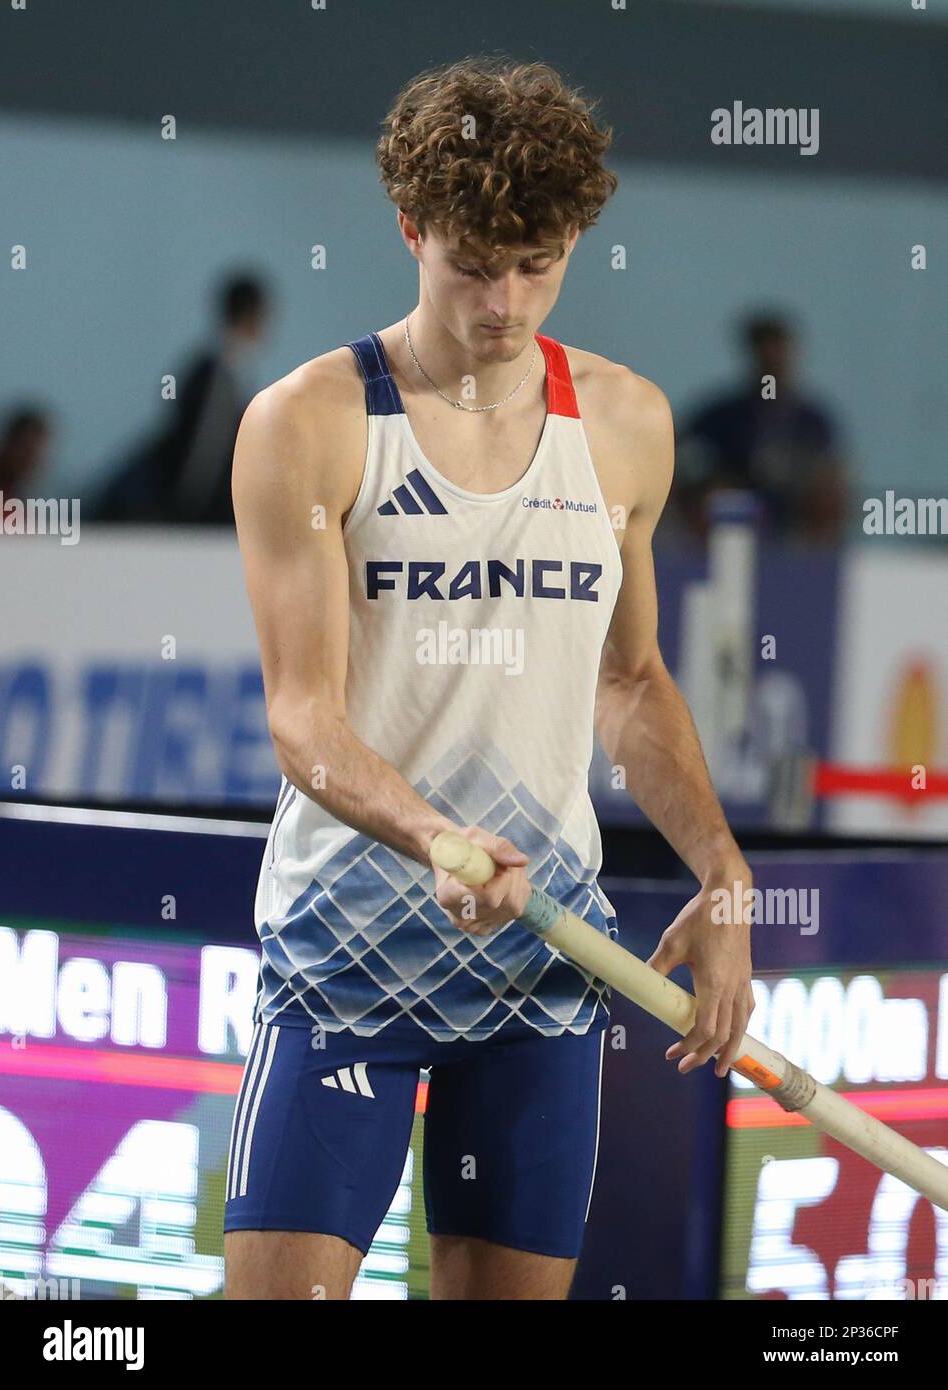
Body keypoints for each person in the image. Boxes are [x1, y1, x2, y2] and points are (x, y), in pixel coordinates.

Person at [224, 56, 754, 1302]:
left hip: (539, 971)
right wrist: (439, 842)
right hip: (344, 964)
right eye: (472, 262)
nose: (505, 303)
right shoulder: (308, 422)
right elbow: (305, 720)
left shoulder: (626, 425)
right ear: (409, 228)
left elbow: (629, 685)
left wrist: (725, 876)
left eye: (538, 263)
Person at [93, 272, 271, 524]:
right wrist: (187, 512)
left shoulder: (229, 373)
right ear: (251, 314)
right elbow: (202, 453)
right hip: (175, 509)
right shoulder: (216, 376)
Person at [675, 312, 846, 544]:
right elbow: (680, 452)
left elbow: (831, 472)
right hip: (732, 523)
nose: (773, 364)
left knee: (827, 493)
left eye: (779, 354)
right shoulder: (724, 414)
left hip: (793, 521)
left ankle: (815, 566)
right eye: (766, 356)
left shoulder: (812, 420)